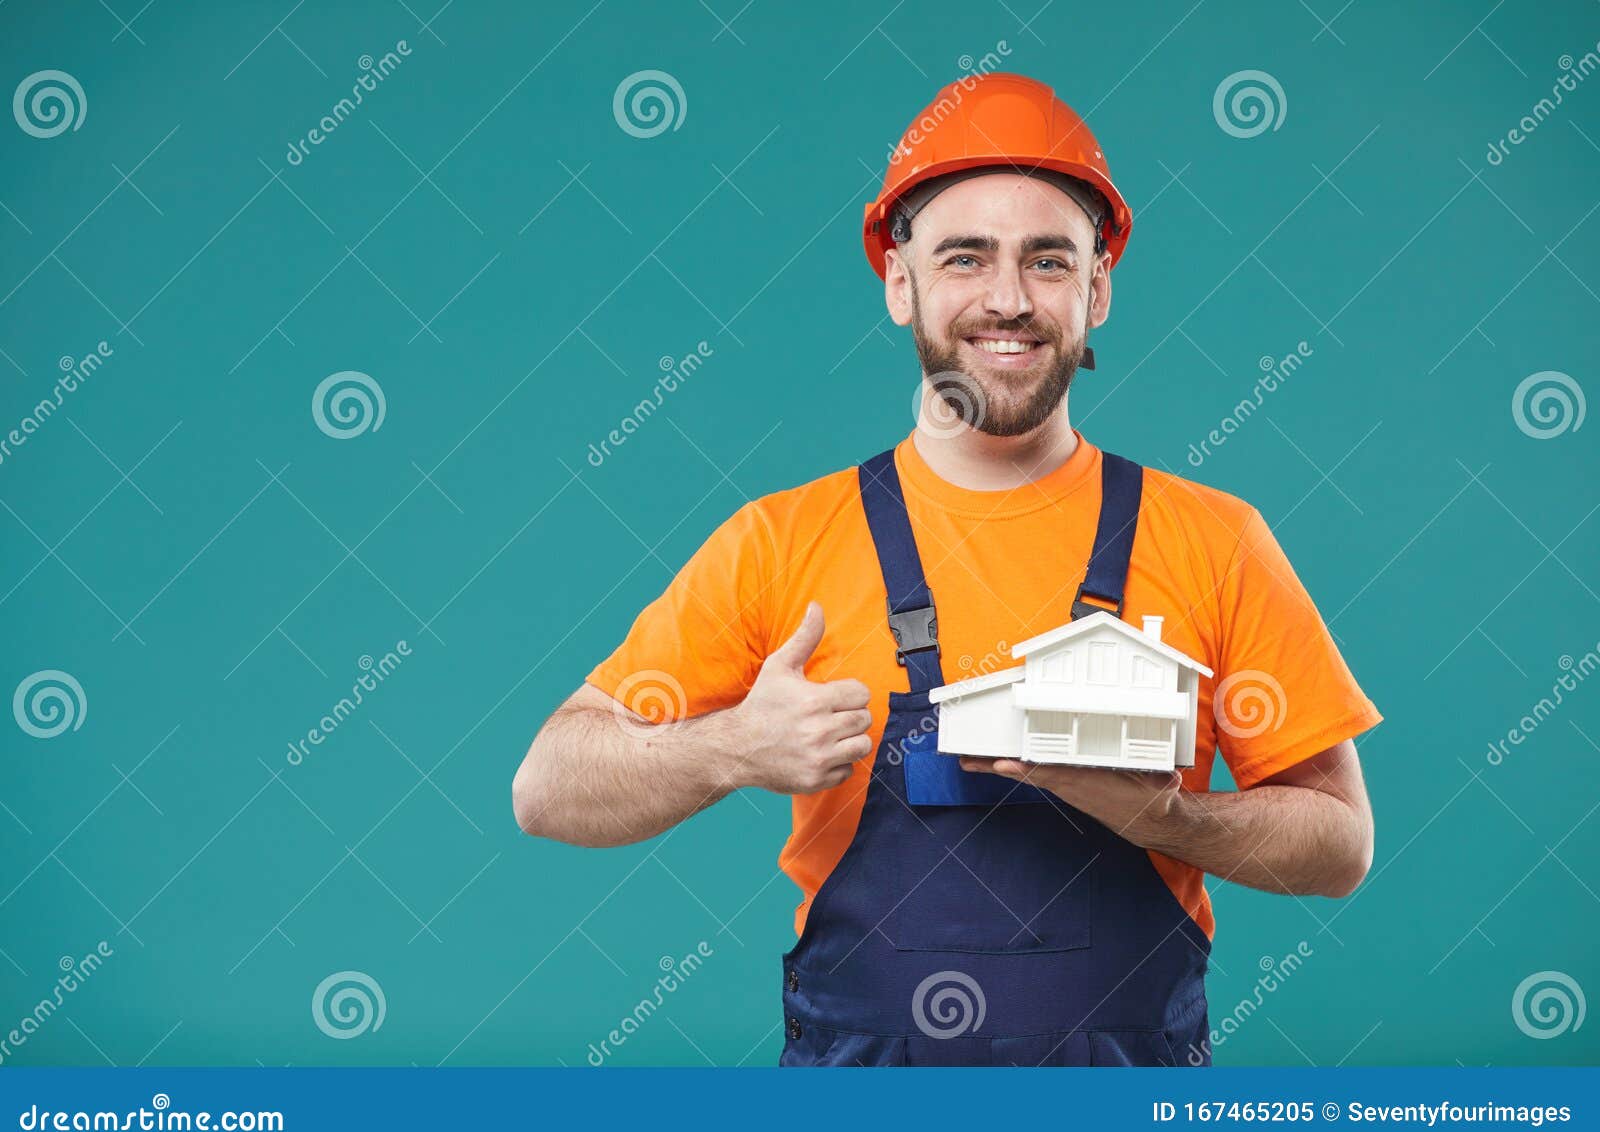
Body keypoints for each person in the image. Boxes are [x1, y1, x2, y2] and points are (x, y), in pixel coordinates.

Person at [512, 72, 1381, 1067]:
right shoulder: (781, 539)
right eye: (964, 257)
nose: (1007, 298)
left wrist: (1167, 815)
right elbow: (548, 786)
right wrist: (728, 749)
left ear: (1096, 287)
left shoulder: (1213, 539)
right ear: (899, 281)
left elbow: (1339, 843)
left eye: (1047, 261)